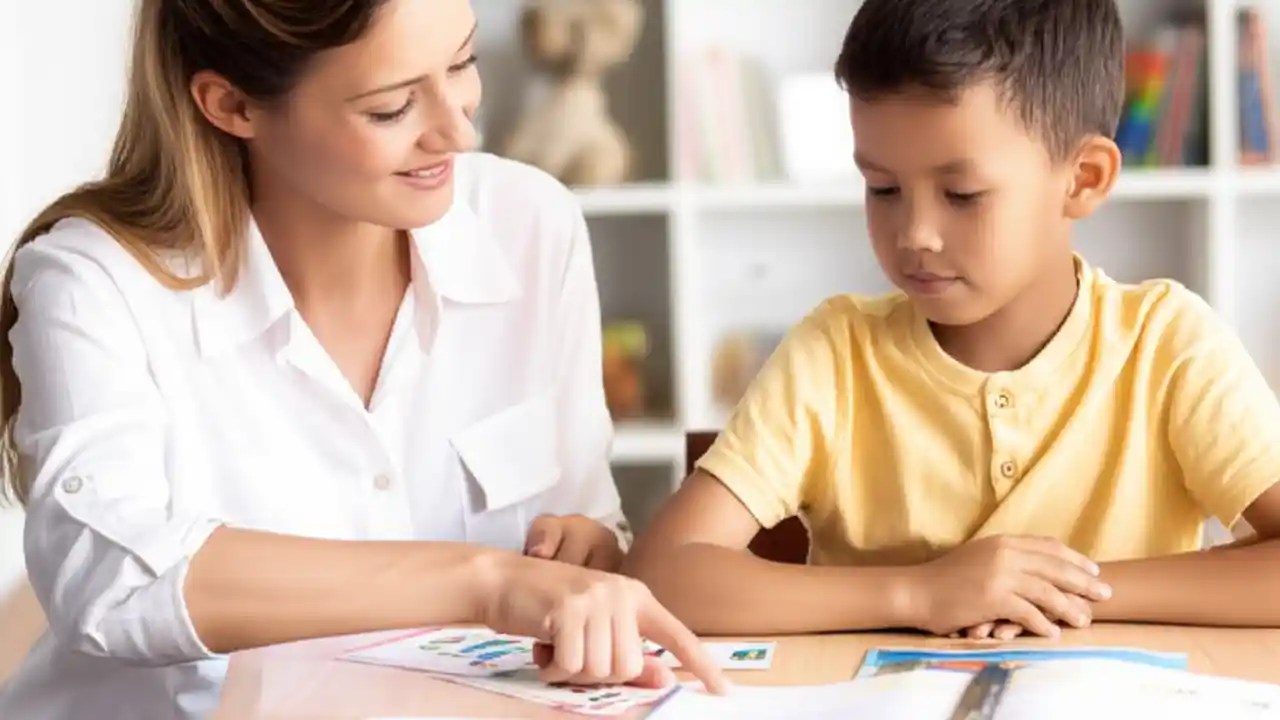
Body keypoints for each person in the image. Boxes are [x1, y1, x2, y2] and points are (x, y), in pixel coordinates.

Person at [0, 1, 725, 718]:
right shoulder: (93, 279)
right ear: (231, 105)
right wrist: (484, 581)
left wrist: (586, 558)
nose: (458, 129)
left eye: (462, 63)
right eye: (391, 107)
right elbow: (111, 580)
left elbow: (587, 525)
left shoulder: (531, 224)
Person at [625, 0, 1280, 641]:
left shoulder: (1167, 344)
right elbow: (661, 575)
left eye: (962, 195)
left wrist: (1058, 590)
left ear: (1082, 178)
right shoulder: (834, 355)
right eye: (882, 188)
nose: (915, 235)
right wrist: (923, 590)